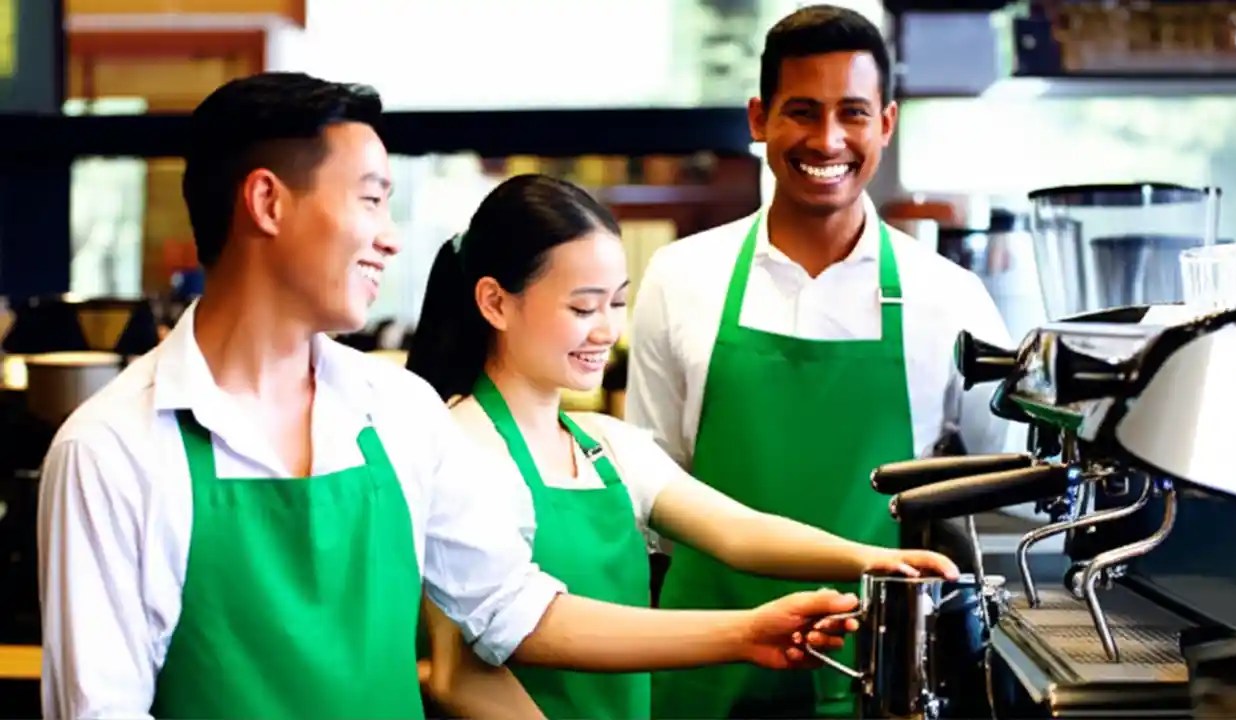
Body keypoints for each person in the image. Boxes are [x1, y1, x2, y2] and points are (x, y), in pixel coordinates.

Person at [35, 72, 864, 720]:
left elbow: (515, 610)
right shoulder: (113, 449)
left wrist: (745, 631)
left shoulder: (396, 413)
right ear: (266, 202)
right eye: (370, 198)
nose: (390, 235)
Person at [403, 173, 960, 720]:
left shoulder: (603, 445)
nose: (605, 331)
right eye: (582, 308)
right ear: (495, 303)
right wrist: (743, 632)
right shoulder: (458, 446)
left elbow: (739, 531)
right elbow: (462, 679)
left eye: (616, 304)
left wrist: (873, 560)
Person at [625, 6, 1014, 719]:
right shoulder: (680, 279)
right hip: (705, 667)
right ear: (758, 118)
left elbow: (995, 483)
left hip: (874, 671)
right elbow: (652, 489)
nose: (828, 139)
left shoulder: (949, 298)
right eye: (801, 111)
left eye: (853, 113)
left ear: (886, 125)